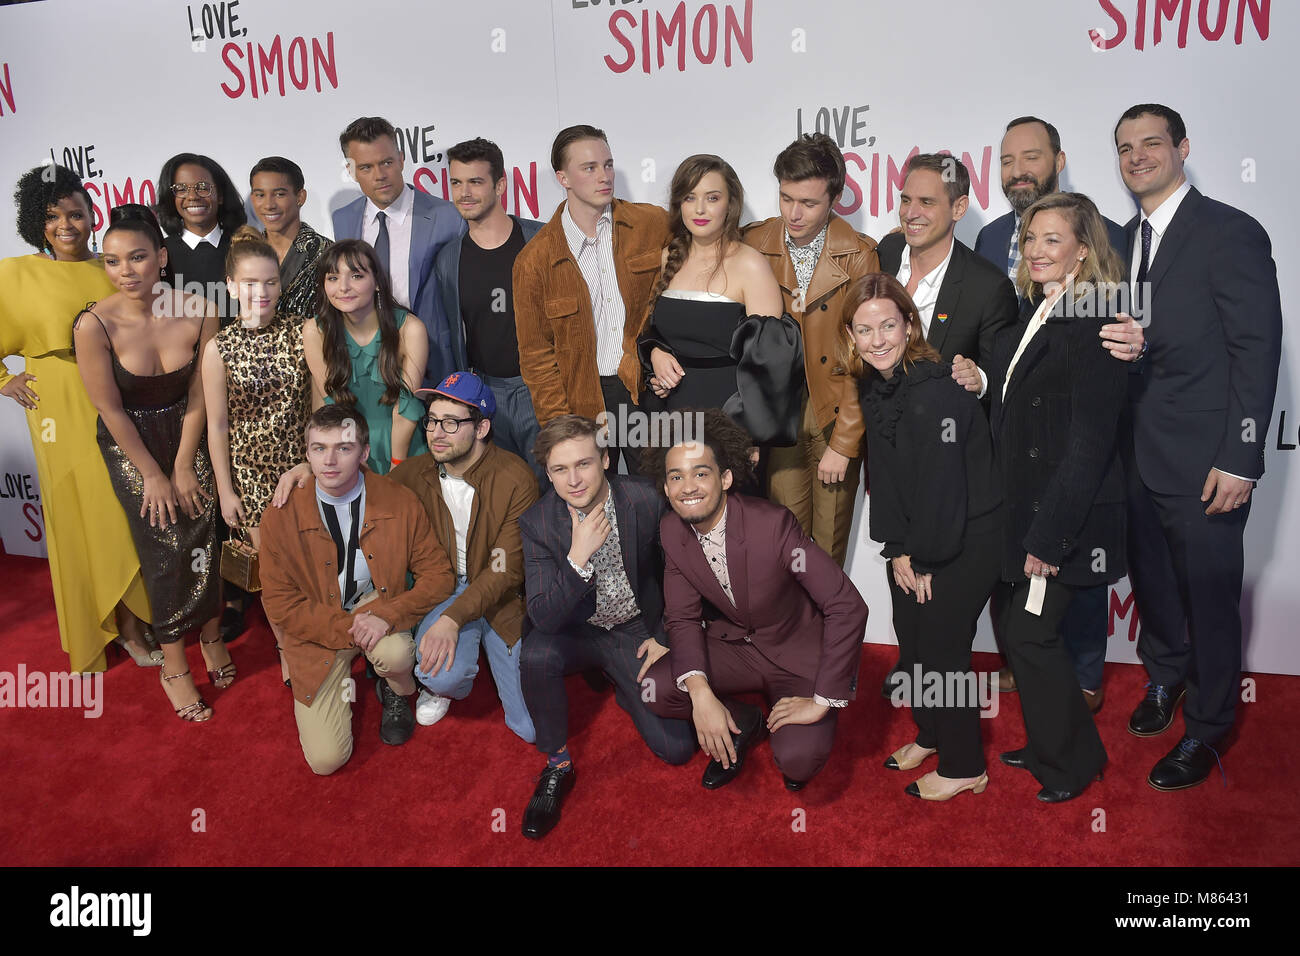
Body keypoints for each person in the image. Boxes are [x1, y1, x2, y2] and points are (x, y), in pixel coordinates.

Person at [1109, 104, 1283, 791]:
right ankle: (1164, 680)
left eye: (1151, 143)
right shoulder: (1119, 243)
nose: (1137, 156)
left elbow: (1256, 351)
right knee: (1154, 586)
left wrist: (1242, 456)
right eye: (1124, 147)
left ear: (1183, 147)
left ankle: (1210, 727)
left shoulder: (1230, 233)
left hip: (1208, 460)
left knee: (1209, 597)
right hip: (1135, 457)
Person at [974, 116, 1128, 708]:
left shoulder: (1108, 238)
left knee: (1076, 571)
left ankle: (1084, 678)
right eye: (1007, 161)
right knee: (1026, 597)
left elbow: (1119, 339)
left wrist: (1134, 349)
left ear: (1058, 160)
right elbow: (1003, 335)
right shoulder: (990, 239)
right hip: (1021, 427)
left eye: (1031, 157)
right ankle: (1031, 668)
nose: (1018, 171)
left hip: (1074, 434)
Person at [639, 409, 868, 791]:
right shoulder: (670, 531)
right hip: (735, 647)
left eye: (701, 473)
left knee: (797, 761)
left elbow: (847, 605)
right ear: (665, 488)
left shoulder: (773, 525)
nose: (688, 486)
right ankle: (744, 721)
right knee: (654, 689)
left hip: (795, 654)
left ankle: (797, 719)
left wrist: (822, 700)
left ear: (726, 477)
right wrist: (701, 695)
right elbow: (681, 616)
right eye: (676, 476)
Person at [843, 275, 1002, 800]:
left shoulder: (934, 391)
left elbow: (943, 487)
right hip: (916, 539)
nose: (878, 339)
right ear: (850, 336)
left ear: (909, 324)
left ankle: (964, 765)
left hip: (964, 536)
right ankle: (932, 734)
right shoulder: (876, 383)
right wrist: (896, 550)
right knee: (913, 642)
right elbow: (886, 479)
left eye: (888, 324)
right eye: (864, 330)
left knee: (942, 651)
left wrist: (924, 559)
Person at [73, 205, 228, 721]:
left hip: (188, 432)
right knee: (164, 546)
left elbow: (203, 392)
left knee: (204, 531)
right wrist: (155, 475)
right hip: (130, 444)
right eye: (113, 261)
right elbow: (109, 408)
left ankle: (211, 637)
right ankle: (175, 666)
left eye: (137, 257)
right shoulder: (94, 324)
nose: (126, 271)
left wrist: (184, 463)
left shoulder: (201, 307)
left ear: (161, 257)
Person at [874, 152, 1018, 697]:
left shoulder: (986, 285)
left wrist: (977, 376)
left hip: (946, 464)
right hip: (889, 452)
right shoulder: (884, 253)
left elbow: (1004, 374)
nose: (911, 212)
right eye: (906, 198)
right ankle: (911, 662)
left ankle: (936, 676)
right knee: (900, 564)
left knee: (933, 578)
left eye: (926, 202)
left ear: (958, 208)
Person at [1, 165, 154, 673]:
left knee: (125, 508)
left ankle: (139, 620)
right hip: (59, 407)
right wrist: (6, 379)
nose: (65, 225)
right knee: (82, 517)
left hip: (118, 394)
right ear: (35, 222)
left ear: (92, 216)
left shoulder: (111, 268)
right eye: (51, 216)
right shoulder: (15, 273)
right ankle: (110, 628)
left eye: (75, 213)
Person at [516, 415, 696, 839]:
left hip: (634, 630)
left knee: (677, 750)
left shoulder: (646, 499)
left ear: (606, 459)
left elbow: (681, 572)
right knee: (535, 654)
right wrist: (578, 560)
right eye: (560, 469)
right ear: (548, 473)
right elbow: (543, 617)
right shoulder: (538, 523)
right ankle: (557, 765)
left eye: (584, 464)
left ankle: (621, 682)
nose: (573, 480)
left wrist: (664, 635)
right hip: (574, 631)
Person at [259, 404, 455, 774]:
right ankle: (346, 676)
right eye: (319, 448)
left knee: (397, 654)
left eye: (344, 448)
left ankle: (396, 691)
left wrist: (387, 616)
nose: (329, 460)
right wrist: (352, 629)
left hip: (374, 604)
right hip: (316, 625)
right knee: (326, 762)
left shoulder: (398, 500)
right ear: (306, 453)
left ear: (364, 453)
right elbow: (281, 604)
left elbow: (439, 575)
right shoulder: (281, 514)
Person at [742, 133, 880, 566]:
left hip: (835, 411)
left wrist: (844, 441)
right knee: (786, 540)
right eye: (786, 198)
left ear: (835, 198)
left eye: (809, 203)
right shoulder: (753, 243)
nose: (794, 213)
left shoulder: (858, 255)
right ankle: (793, 634)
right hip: (778, 414)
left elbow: (865, 357)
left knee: (828, 546)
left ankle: (829, 633)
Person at [389, 372, 538, 740]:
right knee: (439, 673)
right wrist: (304, 470)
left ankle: (483, 639)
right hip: (444, 588)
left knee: (531, 728)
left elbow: (506, 569)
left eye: (452, 423)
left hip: (500, 594)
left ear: (482, 427)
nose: (436, 432)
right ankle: (442, 686)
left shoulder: (515, 477)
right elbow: (362, 487)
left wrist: (453, 620)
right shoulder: (413, 473)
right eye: (433, 421)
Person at [513, 124, 668, 475]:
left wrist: (664, 351)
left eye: (608, 164)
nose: (604, 176)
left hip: (644, 391)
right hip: (583, 398)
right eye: (590, 168)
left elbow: (691, 275)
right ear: (562, 177)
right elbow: (536, 358)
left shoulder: (651, 223)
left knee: (662, 494)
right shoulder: (534, 261)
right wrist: (559, 425)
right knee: (600, 505)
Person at [201, 228, 311, 685]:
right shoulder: (218, 348)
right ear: (230, 285)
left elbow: (323, 402)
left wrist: (312, 461)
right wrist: (226, 491)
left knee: (312, 563)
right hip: (250, 480)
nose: (260, 292)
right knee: (275, 575)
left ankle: (318, 638)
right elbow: (217, 426)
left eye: (269, 282)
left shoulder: (304, 330)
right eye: (249, 283)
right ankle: (288, 649)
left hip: (306, 471)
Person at [638, 154, 795, 445]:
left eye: (712, 198)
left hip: (730, 425)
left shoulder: (751, 265)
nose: (699, 209)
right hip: (671, 418)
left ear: (730, 203)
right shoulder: (668, 257)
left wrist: (752, 440)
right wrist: (656, 356)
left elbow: (771, 366)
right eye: (689, 197)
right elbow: (658, 332)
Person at [433, 138, 545, 472]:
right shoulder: (449, 258)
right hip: (485, 392)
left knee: (552, 486)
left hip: (539, 387)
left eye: (475, 182)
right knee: (502, 491)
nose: (464, 193)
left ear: (499, 185)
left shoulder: (540, 241)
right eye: (456, 182)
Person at [333, 116, 465, 387]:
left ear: (402, 159)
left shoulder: (448, 218)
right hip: (366, 368)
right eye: (367, 167)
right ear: (351, 170)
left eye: (387, 163)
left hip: (436, 365)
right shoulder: (342, 220)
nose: (380, 175)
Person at [303, 239, 429, 474]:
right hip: (348, 447)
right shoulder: (314, 331)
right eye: (333, 278)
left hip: (404, 446)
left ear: (377, 282)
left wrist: (397, 466)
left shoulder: (410, 329)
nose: (343, 287)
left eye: (356, 276)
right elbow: (333, 404)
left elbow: (406, 409)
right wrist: (352, 460)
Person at [154, 152, 246, 323]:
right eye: (181, 189)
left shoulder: (245, 247)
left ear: (220, 196)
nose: (192, 196)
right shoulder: (159, 255)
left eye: (203, 187)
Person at [248, 156, 332, 321]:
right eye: (260, 195)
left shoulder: (328, 254)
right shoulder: (243, 253)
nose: (269, 205)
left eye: (279, 194)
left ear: (300, 197)